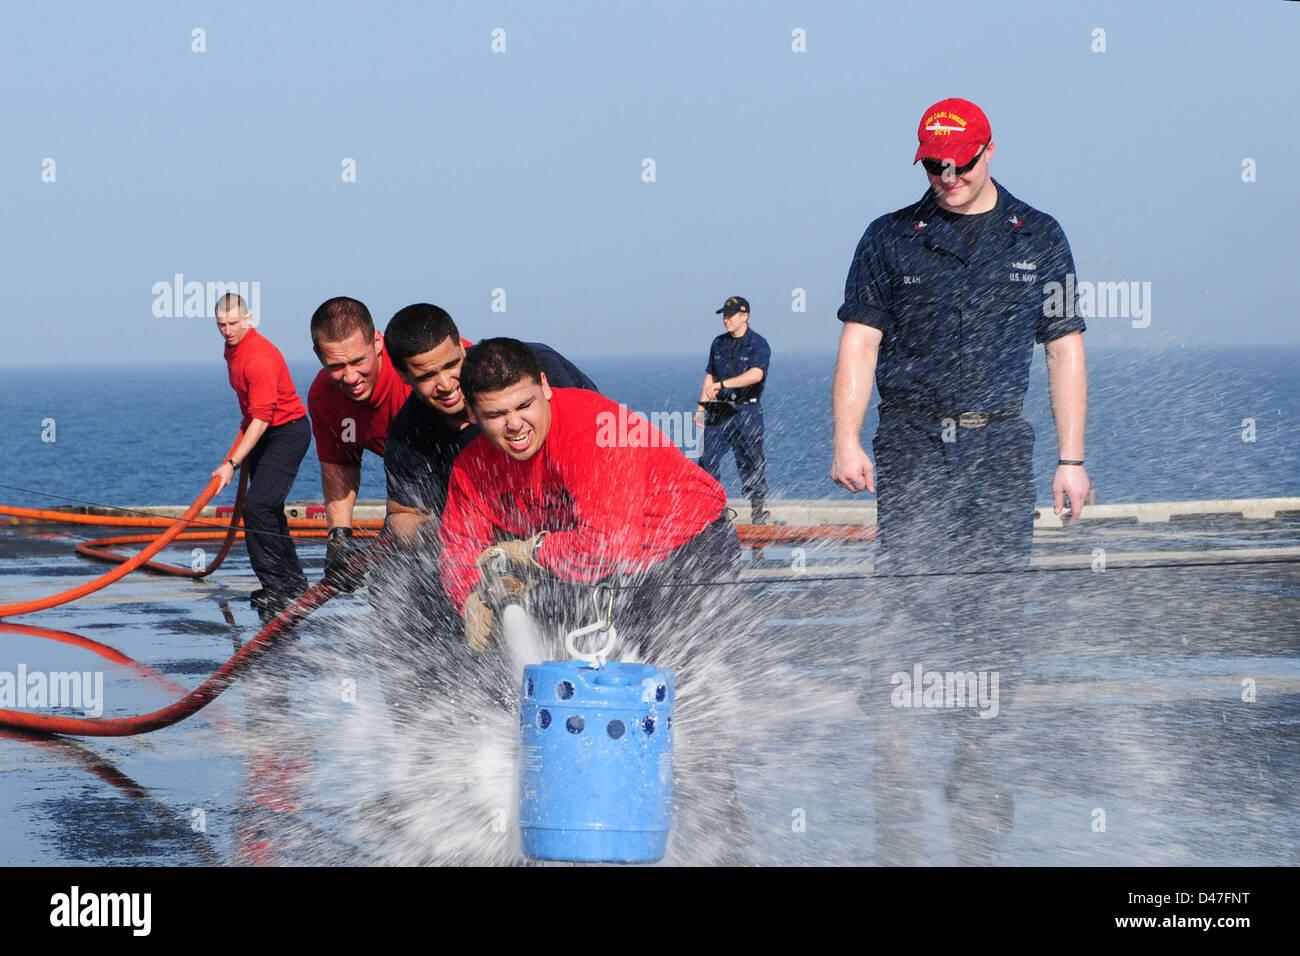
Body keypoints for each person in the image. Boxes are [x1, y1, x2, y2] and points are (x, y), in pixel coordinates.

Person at [830, 97, 1089, 639]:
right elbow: (860, 343)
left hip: (998, 441)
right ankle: (895, 721)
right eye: (934, 165)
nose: (949, 176)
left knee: (994, 599)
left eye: (962, 163)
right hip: (912, 438)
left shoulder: (1040, 235)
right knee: (908, 590)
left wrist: (1071, 460)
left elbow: (1063, 349)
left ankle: (982, 726)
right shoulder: (889, 237)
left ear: (989, 150)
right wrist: (845, 440)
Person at [438, 338, 739, 653]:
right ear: (471, 412)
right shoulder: (470, 469)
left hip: (688, 550)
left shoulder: (594, 431)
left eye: (525, 405)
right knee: (553, 666)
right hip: (593, 566)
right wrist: (474, 596)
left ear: (545, 386)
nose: (515, 424)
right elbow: (459, 550)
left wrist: (532, 553)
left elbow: (608, 545)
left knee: (667, 676)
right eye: (496, 414)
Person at [382, 303, 599, 548]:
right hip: (482, 537)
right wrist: (455, 529)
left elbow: (598, 436)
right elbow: (402, 515)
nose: (445, 384)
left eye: (451, 365)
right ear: (403, 376)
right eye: (426, 376)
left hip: (580, 513)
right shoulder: (408, 434)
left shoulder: (534, 365)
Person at [211, 294, 311, 621]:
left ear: (248, 318)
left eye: (233, 323)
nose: (228, 331)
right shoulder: (234, 348)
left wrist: (232, 464)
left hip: (286, 433)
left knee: (257, 508)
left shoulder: (258, 358)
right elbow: (252, 411)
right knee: (269, 508)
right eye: (221, 325)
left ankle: (276, 587)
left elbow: (263, 417)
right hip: (265, 432)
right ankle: (293, 583)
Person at [306, 296, 413, 589]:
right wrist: (339, 540)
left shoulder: (413, 371)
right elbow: (340, 469)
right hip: (410, 469)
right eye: (337, 366)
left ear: (378, 342)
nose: (351, 377)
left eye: (358, 361)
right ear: (318, 355)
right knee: (389, 582)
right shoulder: (324, 399)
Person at [695, 296, 772, 525]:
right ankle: (715, 514)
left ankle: (758, 513)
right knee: (707, 461)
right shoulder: (718, 343)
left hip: (746, 411)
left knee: (750, 464)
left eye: (730, 315)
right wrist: (701, 407)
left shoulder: (758, 344)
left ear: (744, 316)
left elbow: (756, 374)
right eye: (724, 316)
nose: (726, 320)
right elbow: (710, 375)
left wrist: (722, 385)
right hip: (719, 410)